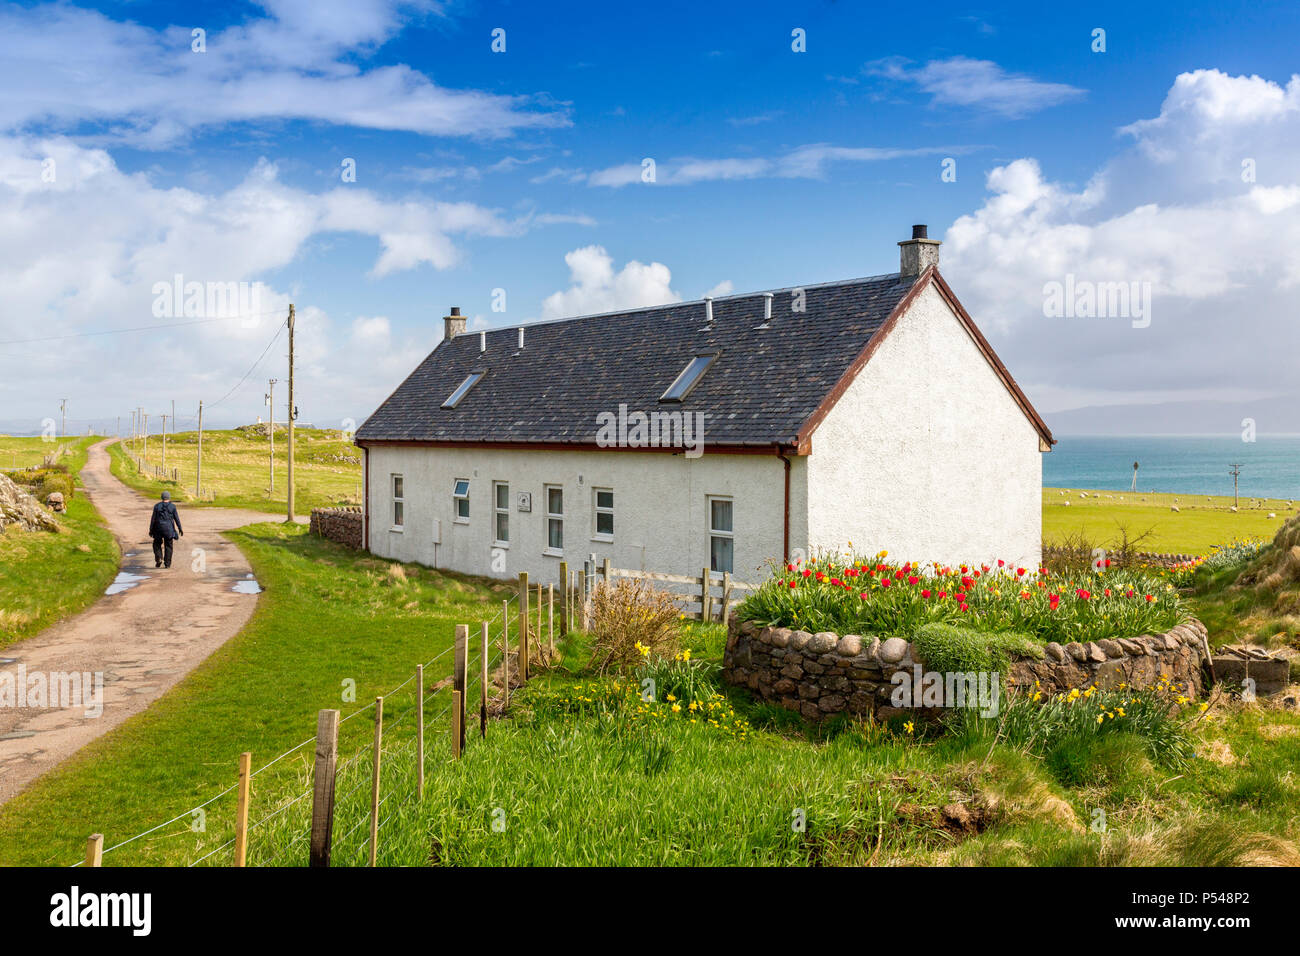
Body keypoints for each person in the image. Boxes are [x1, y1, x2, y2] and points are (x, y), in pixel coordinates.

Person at [148, 490, 183, 568]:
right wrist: (180, 528)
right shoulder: (172, 506)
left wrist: (151, 530)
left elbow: (153, 519)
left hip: (158, 529)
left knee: (156, 544)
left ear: (162, 497)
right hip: (169, 529)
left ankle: (159, 557)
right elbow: (176, 518)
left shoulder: (157, 506)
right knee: (168, 546)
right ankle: (167, 564)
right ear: (169, 498)